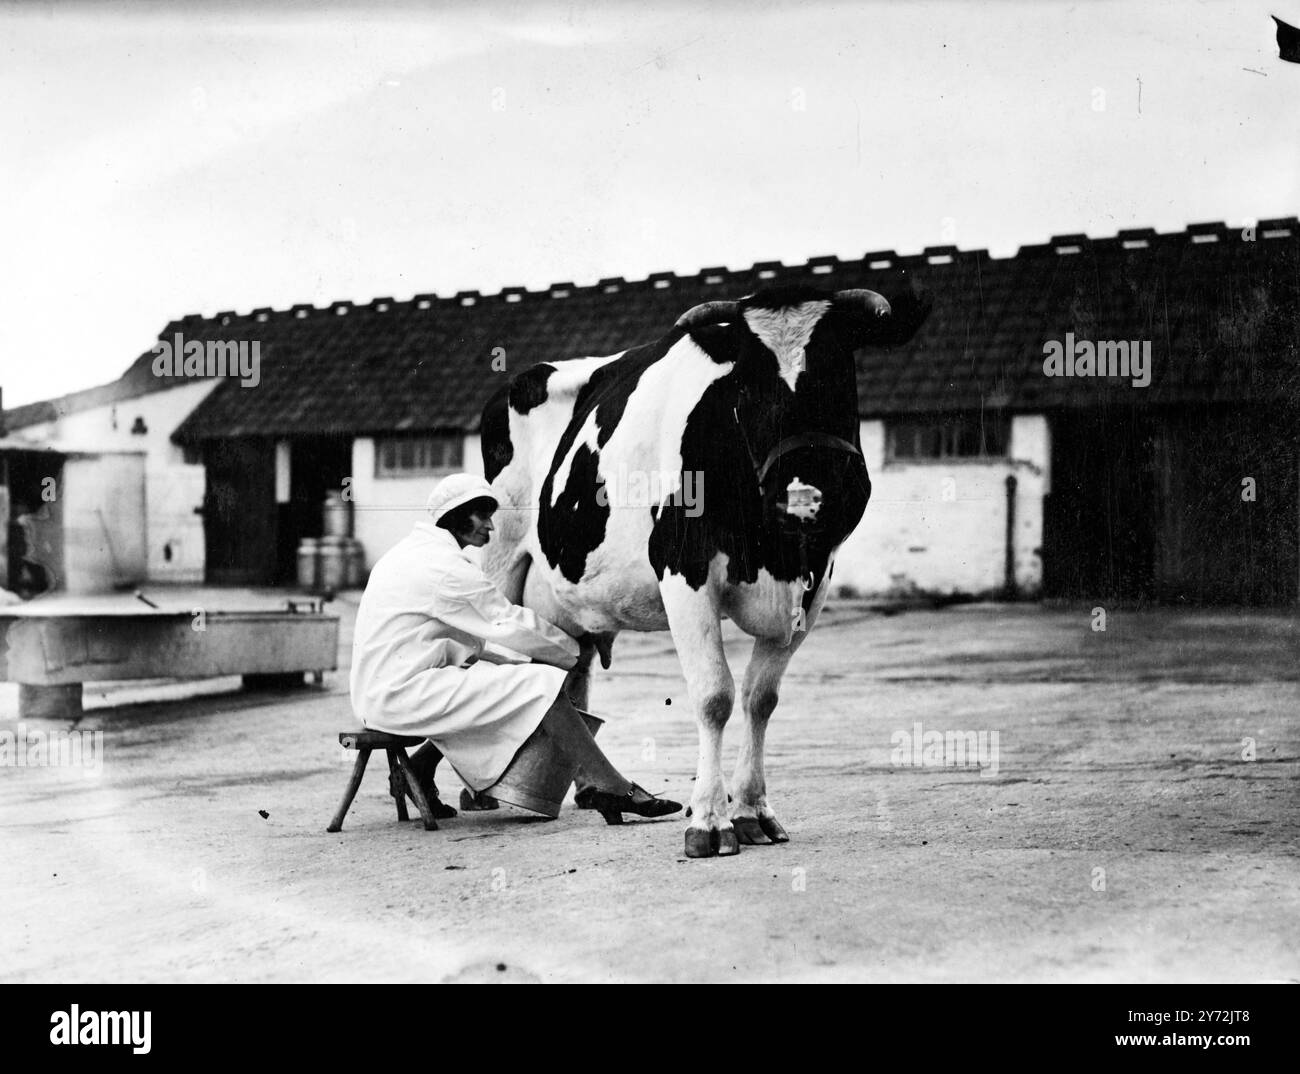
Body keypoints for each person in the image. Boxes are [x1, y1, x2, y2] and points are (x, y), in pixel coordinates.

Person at [349, 473, 680, 824]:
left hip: (389, 685)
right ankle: (613, 787)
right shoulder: (443, 567)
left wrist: (510, 661)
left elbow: (459, 637)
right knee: (540, 686)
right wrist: (571, 650)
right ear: (455, 514)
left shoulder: (412, 551)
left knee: (503, 681)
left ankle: (420, 766)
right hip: (399, 693)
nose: (491, 527)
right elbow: (504, 620)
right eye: (482, 515)